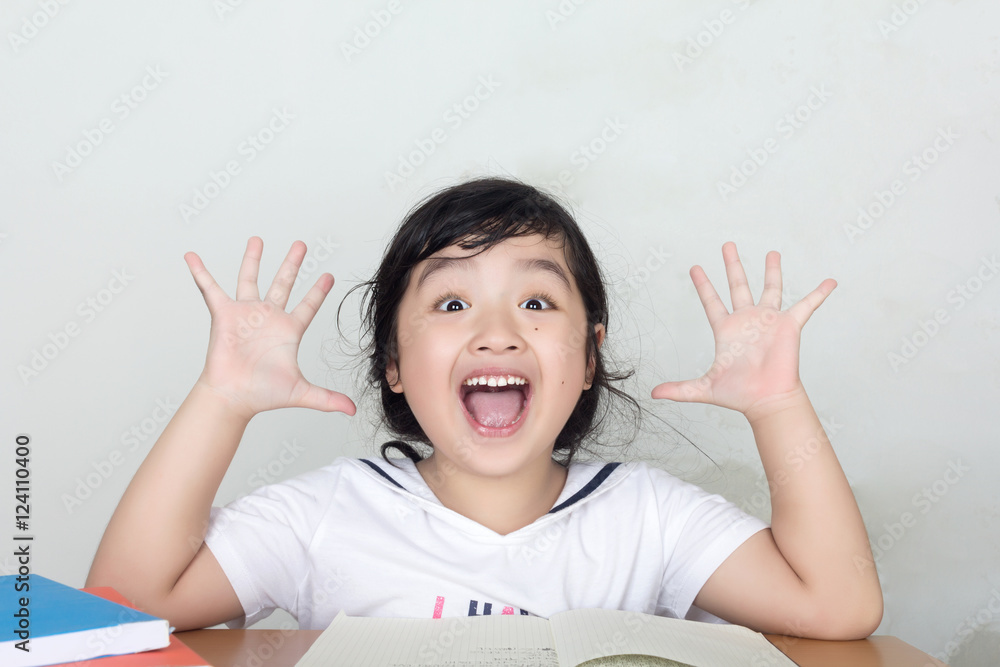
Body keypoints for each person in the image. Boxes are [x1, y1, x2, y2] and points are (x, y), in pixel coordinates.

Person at [86, 177, 882, 638]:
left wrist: (778, 404)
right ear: (394, 364)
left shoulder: (649, 517)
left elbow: (840, 606)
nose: (498, 333)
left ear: (588, 359)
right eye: (453, 304)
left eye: (536, 302)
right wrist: (221, 400)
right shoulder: (328, 513)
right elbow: (126, 604)